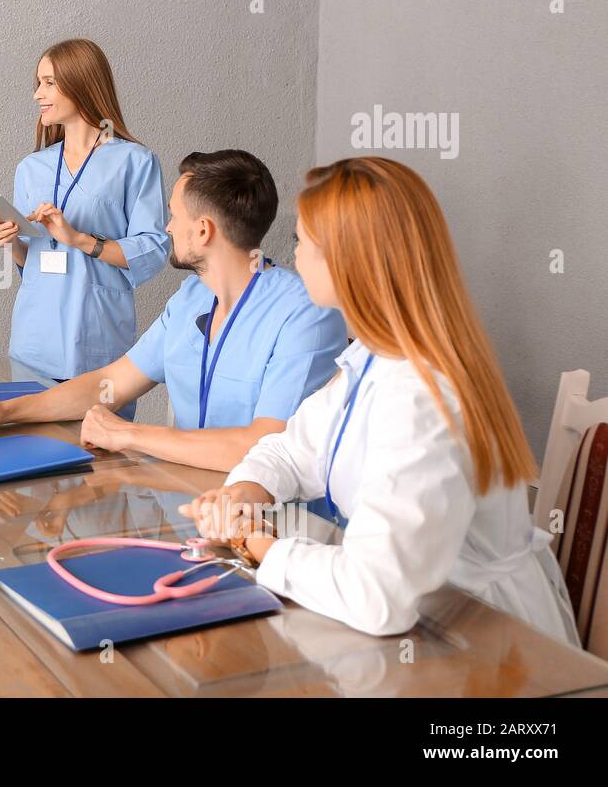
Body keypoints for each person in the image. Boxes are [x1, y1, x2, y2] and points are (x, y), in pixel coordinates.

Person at [180, 157, 579, 644]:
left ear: (346, 262)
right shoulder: (373, 356)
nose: (294, 253)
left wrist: (258, 542)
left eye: (302, 240)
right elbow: (290, 448)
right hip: (419, 619)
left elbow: (377, 598)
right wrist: (243, 494)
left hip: (483, 638)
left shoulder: (422, 396)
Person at [0, 150, 347, 472]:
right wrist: (3, 411)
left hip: (269, 526)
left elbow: (262, 444)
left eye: (173, 216)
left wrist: (130, 435)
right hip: (191, 505)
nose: (167, 229)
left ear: (204, 230)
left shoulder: (306, 314)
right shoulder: (192, 297)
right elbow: (109, 383)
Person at [0, 39, 170, 410]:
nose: (38, 94)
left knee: (98, 460)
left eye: (49, 83)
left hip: (96, 341)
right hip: (34, 342)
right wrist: (10, 241)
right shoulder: (31, 168)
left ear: (82, 83)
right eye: (37, 83)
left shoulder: (134, 162)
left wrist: (81, 240)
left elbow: (154, 248)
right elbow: (32, 261)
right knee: (31, 457)